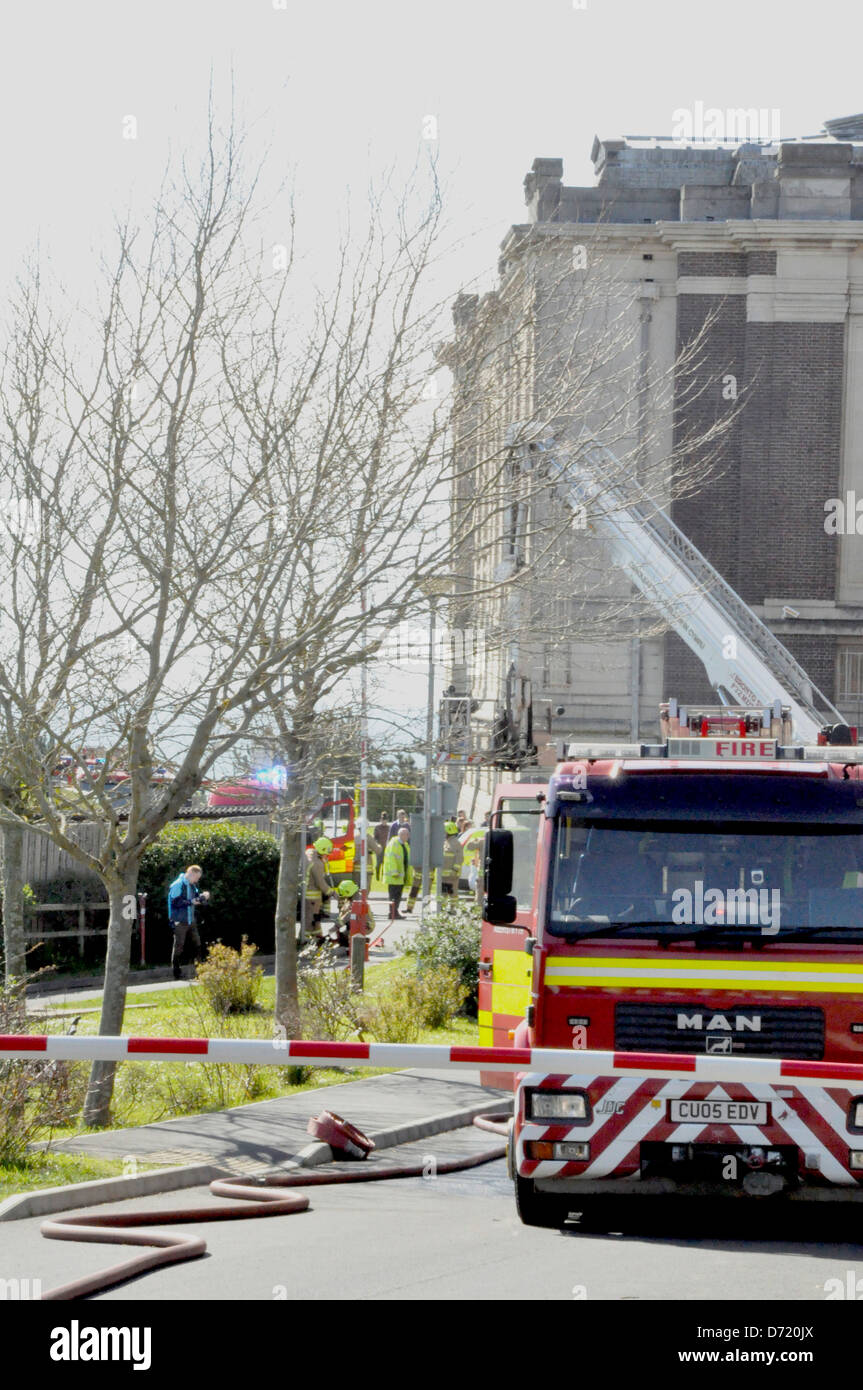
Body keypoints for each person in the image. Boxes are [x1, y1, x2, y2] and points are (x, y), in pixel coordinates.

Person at [167, 863, 210, 980]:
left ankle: (201, 970)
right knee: (179, 945)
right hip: (179, 921)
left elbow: (195, 898)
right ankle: (176, 972)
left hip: (191, 920)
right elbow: (175, 902)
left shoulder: (191, 885)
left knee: (198, 943)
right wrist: (192, 901)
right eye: (196, 878)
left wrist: (203, 897)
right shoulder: (177, 885)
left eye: (198, 879)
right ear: (190, 874)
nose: (196, 880)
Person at [304, 836, 334, 942]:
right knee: (311, 920)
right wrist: (331, 892)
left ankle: (318, 936)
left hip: (307, 894)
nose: (328, 855)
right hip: (313, 896)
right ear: (322, 850)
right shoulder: (318, 864)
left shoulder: (310, 853)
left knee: (315, 918)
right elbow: (320, 883)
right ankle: (306, 940)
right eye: (327, 853)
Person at [334, 879, 376, 949]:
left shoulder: (358, 900)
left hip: (366, 925)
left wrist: (337, 925)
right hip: (357, 922)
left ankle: (358, 943)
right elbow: (344, 912)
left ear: (348, 891)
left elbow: (350, 914)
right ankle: (359, 940)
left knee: (349, 938)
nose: (344, 897)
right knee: (343, 937)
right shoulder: (352, 898)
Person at [383, 825, 412, 920]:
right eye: (407, 835)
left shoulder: (404, 845)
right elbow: (391, 859)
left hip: (400, 876)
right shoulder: (394, 844)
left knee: (398, 896)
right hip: (394, 876)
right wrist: (395, 872)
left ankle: (394, 912)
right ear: (402, 835)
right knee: (394, 897)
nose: (408, 836)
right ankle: (392, 913)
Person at [441, 820, 461, 896]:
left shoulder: (455, 843)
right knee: (444, 893)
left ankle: (452, 908)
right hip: (445, 876)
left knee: (452, 893)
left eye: (444, 831)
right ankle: (443, 907)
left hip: (452, 875)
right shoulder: (447, 842)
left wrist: (455, 870)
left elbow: (460, 858)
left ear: (449, 831)